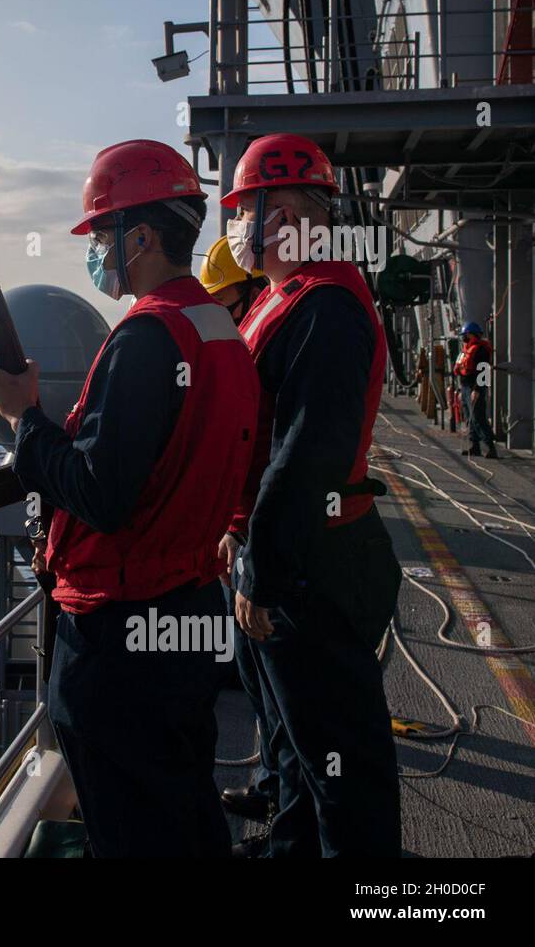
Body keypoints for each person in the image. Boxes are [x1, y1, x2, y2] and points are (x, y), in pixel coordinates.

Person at [0, 139, 259, 857]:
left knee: (129, 824)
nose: (97, 253)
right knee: (180, 804)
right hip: (188, 609)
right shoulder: (219, 327)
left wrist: (25, 421)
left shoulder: (147, 337)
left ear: (139, 237)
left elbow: (100, 494)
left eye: (101, 236)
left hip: (122, 634)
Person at [221, 132, 402, 858]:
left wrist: (264, 568)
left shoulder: (324, 309)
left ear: (288, 210)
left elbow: (305, 458)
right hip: (291, 550)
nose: (238, 228)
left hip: (313, 562)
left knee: (341, 766)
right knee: (297, 743)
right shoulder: (285, 297)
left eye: (245, 211)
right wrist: (237, 529)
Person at [197, 237, 277, 829]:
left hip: (256, 537)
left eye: (222, 301)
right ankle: (272, 785)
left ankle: (284, 808)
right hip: (241, 534)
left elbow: (267, 456)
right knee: (255, 675)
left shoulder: (259, 344)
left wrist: (238, 526)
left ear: (248, 291)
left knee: (278, 685)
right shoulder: (245, 340)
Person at [453, 321, 498, 459]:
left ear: (471, 334)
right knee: (469, 418)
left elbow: (484, 371)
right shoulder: (466, 349)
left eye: (465, 335)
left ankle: (490, 447)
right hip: (466, 388)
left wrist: (477, 390)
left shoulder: (481, 350)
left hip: (475, 388)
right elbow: (461, 370)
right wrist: (461, 390)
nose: (463, 338)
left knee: (478, 417)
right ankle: (475, 447)